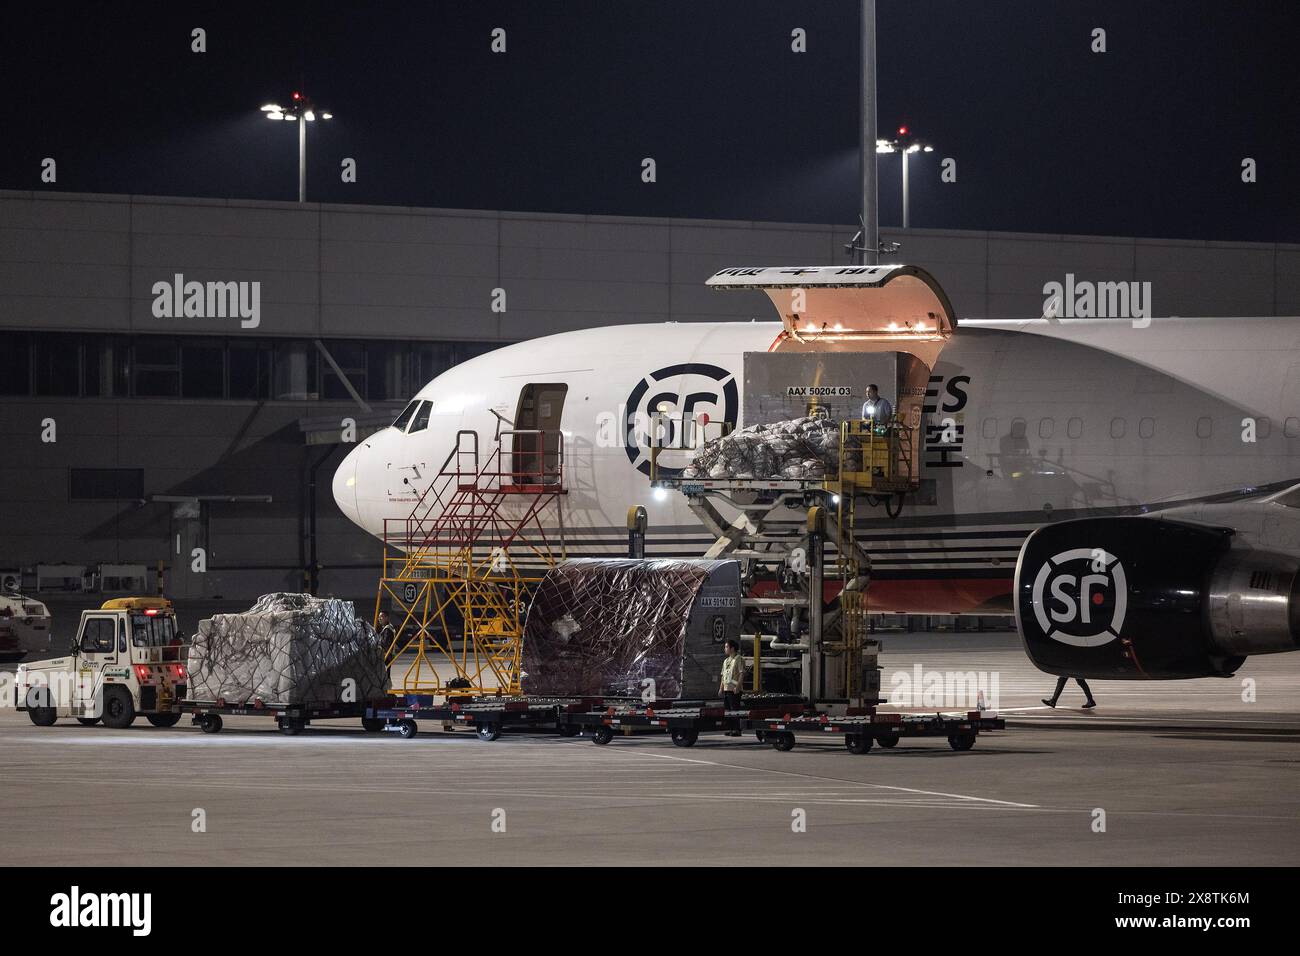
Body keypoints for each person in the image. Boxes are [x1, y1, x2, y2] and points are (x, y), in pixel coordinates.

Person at [719, 639, 746, 735]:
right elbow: (723, 675)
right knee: (727, 710)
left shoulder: (739, 659)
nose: (725, 649)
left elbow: (741, 674)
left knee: (735, 710)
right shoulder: (726, 661)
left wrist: (738, 687)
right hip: (726, 689)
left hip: (734, 689)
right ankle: (730, 729)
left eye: (726, 647)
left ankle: (737, 729)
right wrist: (721, 688)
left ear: (732, 648)